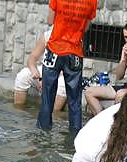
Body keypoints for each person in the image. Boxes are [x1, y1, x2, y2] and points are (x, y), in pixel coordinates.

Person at [37, 0, 97, 132]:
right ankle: (74, 136)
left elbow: (50, 20)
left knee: (47, 96)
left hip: (54, 50)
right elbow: (86, 28)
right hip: (74, 53)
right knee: (75, 100)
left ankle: (42, 132)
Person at [14, 28, 66, 112]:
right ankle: (19, 111)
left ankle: (52, 116)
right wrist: (34, 70)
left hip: (63, 74)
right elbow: (32, 57)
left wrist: (48, 79)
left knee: (62, 84)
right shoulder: (47, 35)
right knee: (23, 75)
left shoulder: (72, 37)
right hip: (47, 70)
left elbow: (70, 68)